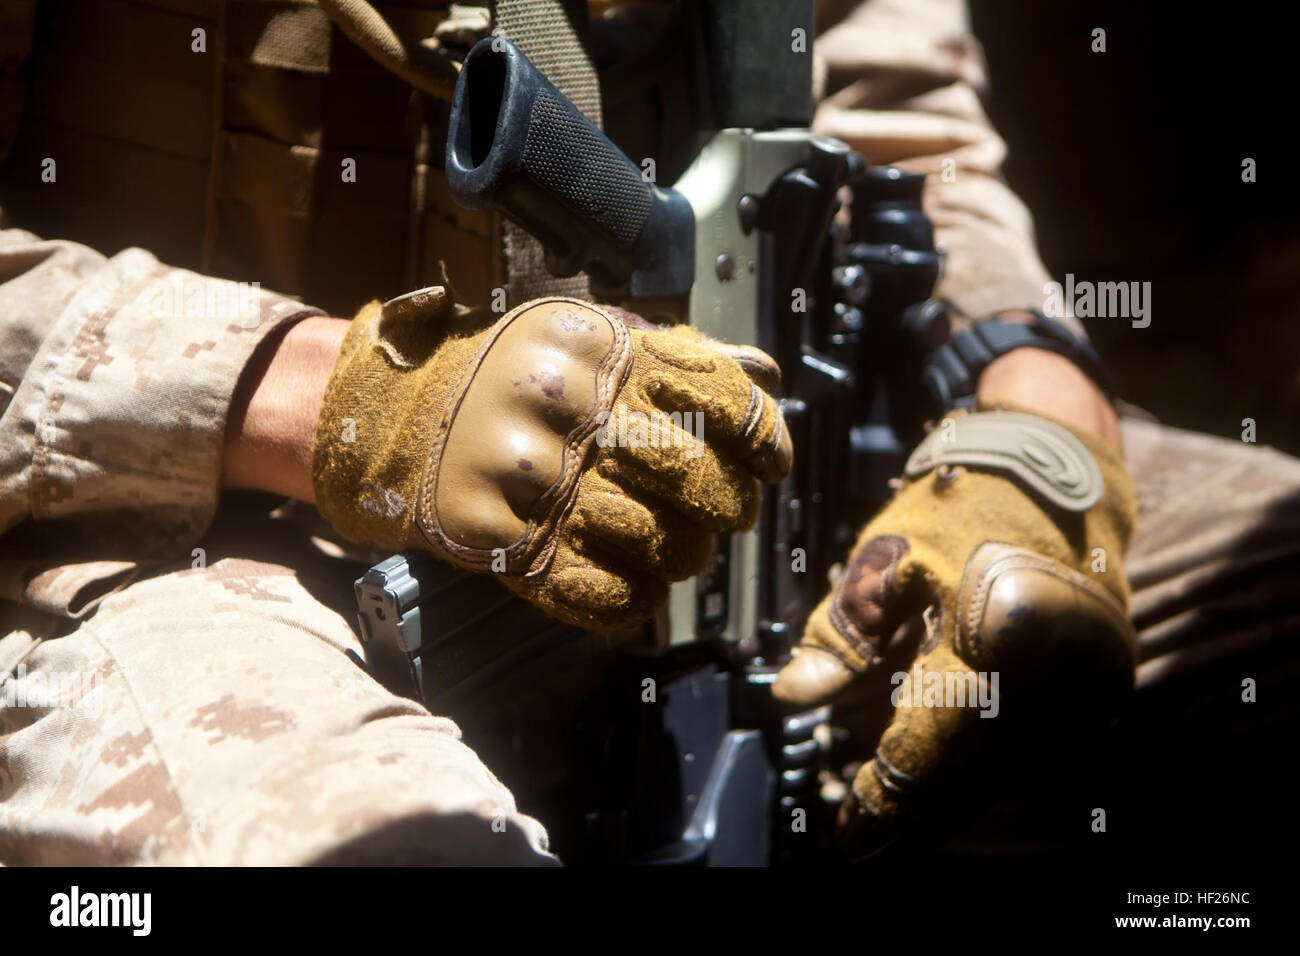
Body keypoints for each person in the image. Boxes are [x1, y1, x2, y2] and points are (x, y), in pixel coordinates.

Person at [1, 0, 1296, 865]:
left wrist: (1036, 428)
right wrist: (333, 395)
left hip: (752, 488)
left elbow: (911, 141)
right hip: (192, 531)